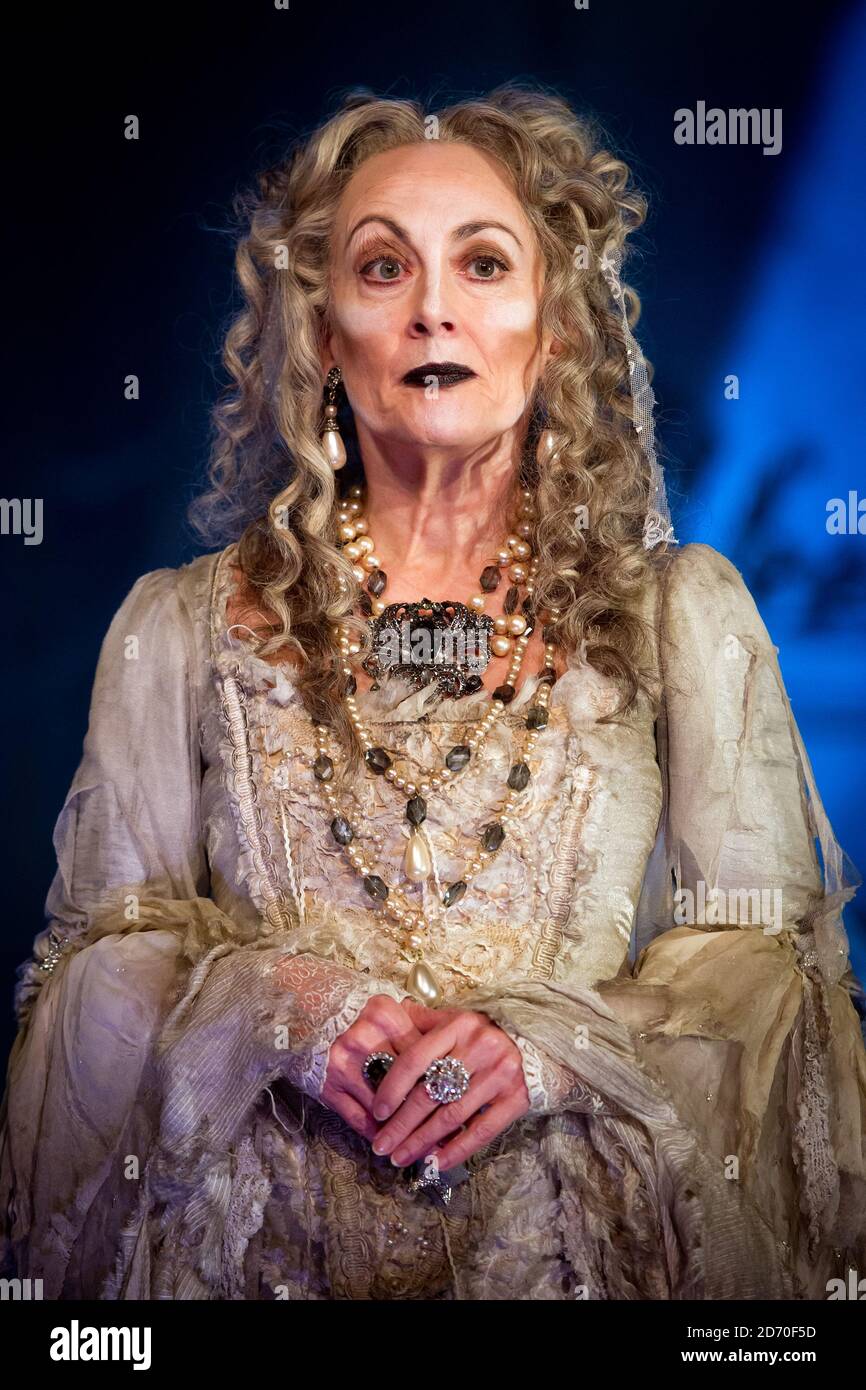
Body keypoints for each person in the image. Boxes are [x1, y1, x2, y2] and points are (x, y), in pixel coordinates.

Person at [2, 85, 865, 1301]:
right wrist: (268, 1003)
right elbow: (94, 972)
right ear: (321, 332)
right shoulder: (183, 627)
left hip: (563, 1248)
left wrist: (554, 1053)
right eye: (381, 268)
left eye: (481, 263)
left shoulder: (677, 615)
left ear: (552, 327)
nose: (430, 311)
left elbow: (767, 974)